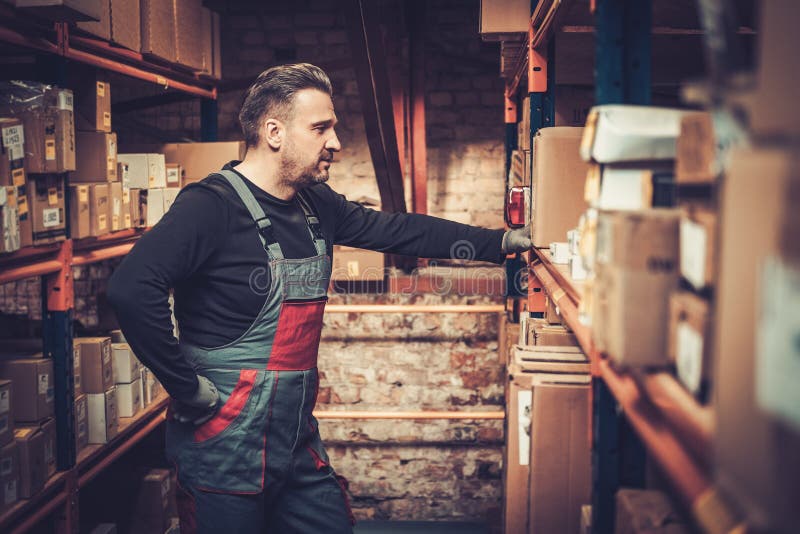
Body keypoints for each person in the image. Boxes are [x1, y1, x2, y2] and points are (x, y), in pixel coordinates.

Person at [107, 63, 531, 534]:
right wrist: (185, 386)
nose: (335, 141)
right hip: (224, 441)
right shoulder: (211, 205)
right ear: (274, 132)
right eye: (320, 128)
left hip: (293, 438)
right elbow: (131, 289)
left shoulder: (316, 204)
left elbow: (398, 229)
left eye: (334, 127)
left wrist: (498, 243)